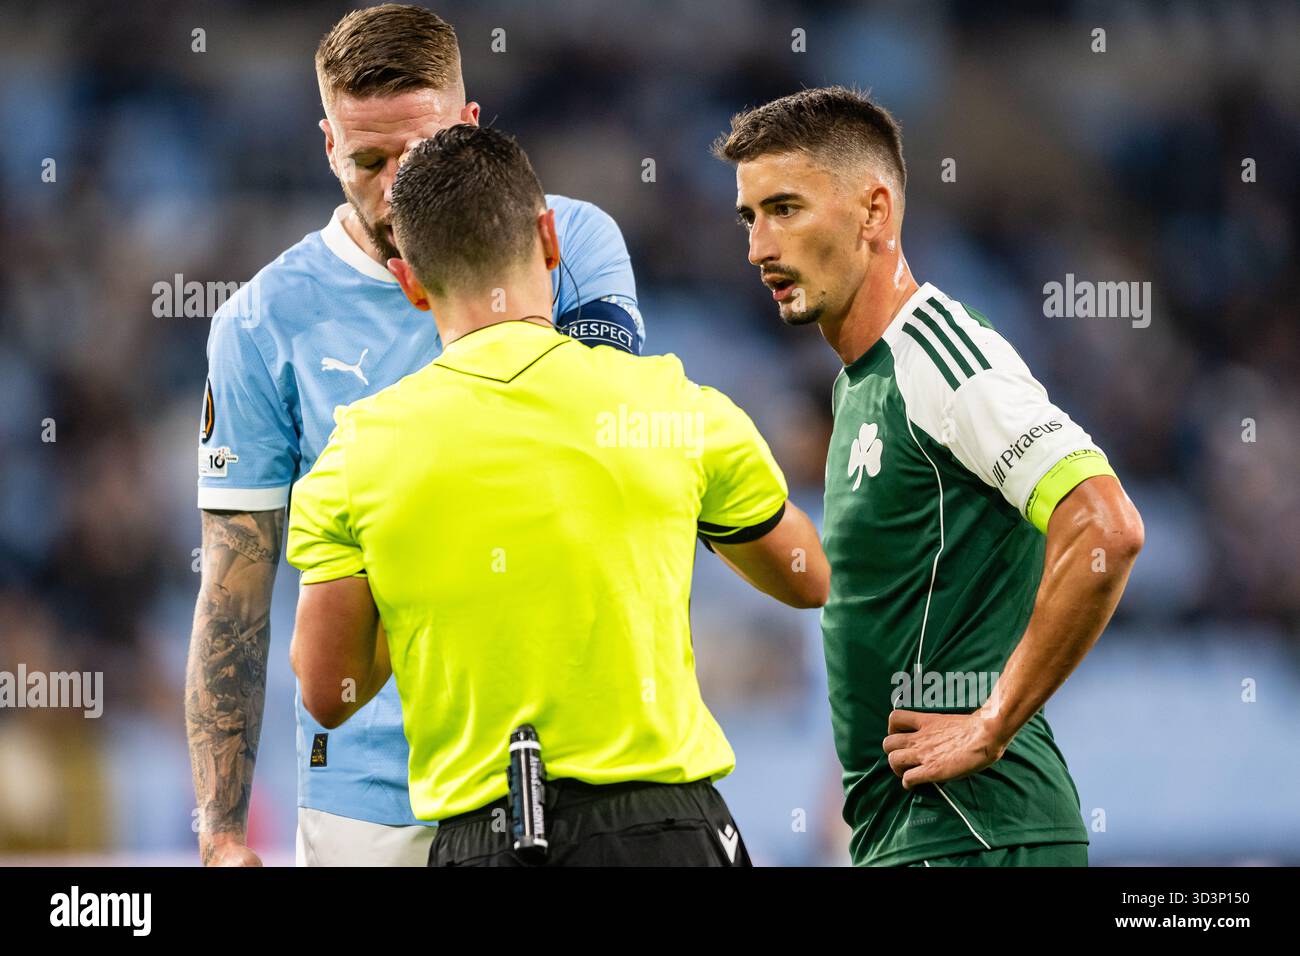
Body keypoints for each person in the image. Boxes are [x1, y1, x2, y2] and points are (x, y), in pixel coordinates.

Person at [287, 125, 829, 867]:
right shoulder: (668, 404)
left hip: (484, 840)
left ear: (410, 279)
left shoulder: (357, 451)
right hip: (665, 829)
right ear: (550, 239)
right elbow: (809, 579)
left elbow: (329, 690)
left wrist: (418, 580)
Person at [185, 4, 644, 867]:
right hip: (368, 794)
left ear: (470, 127)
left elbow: (599, 456)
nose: (397, 186)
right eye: (367, 160)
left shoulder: (570, 241)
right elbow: (233, 599)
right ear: (327, 145)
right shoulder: (260, 322)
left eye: (423, 152)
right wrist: (219, 835)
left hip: (576, 765)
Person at [713, 86, 1144, 867]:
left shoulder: (941, 357)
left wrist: (993, 721)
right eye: (750, 218)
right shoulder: (858, 385)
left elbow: (1106, 529)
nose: (759, 248)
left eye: (784, 209)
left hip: (979, 834)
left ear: (874, 212)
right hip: (909, 835)